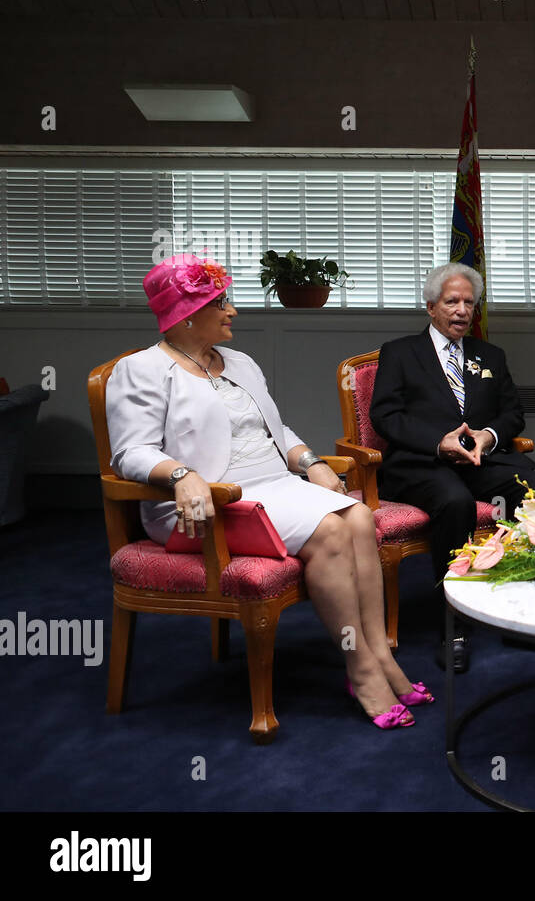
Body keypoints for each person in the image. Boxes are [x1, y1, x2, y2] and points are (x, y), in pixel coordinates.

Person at [106, 254, 429, 731]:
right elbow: (129, 452)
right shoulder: (142, 370)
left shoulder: (239, 362)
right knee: (332, 534)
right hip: (208, 504)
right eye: (221, 302)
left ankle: (381, 653)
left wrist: (311, 463)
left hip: (276, 487)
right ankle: (361, 668)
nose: (232, 310)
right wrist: (181, 475)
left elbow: (276, 430)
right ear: (186, 314)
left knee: (360, 518)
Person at [370, 263, 535, 672]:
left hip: (482, 460)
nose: (461, 310)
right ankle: (453, 624)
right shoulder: (400, 352)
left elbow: (514, 413)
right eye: (451, 301)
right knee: (454, 501)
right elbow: (385, 416)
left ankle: (523, 613)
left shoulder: (490, 355)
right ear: (430, 307)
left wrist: (488, 436)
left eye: (469, 303)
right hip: (423, 464)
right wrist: (438, 443)